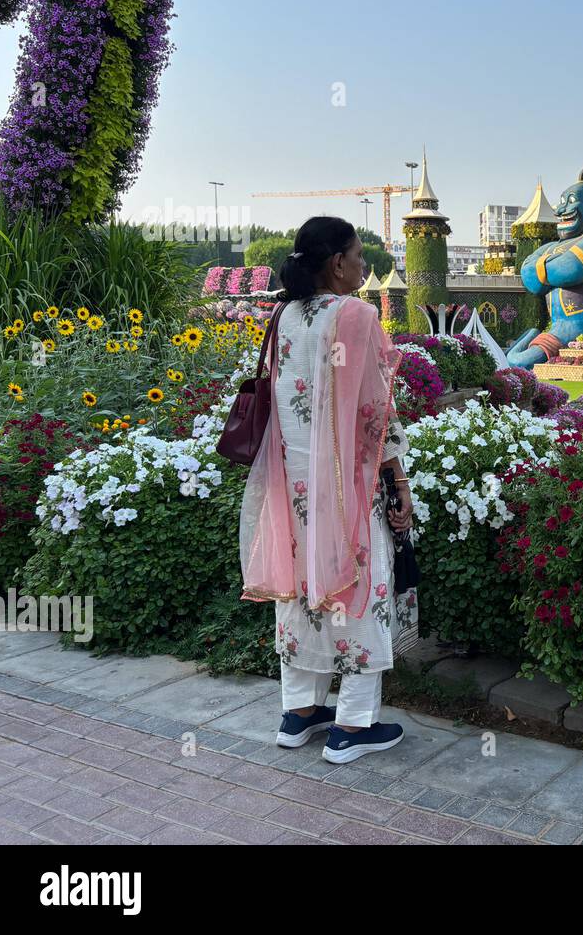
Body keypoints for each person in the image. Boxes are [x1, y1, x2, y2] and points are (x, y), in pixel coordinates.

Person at [238, 216, 415, 765]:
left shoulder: (285, 315)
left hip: (294, 484)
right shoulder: (357, 315)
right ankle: (353, 725)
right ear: (337, 263)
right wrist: (399, 479)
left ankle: (300, 713)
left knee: (303, 583)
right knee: (359, 584)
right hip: (350, 485)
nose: (366, 266)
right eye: (360, 255)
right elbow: (374, 411)